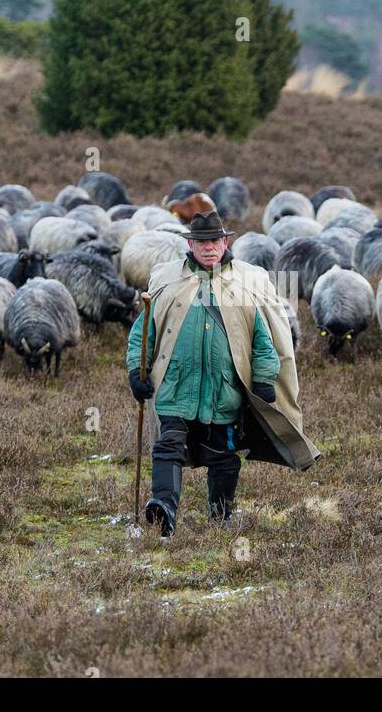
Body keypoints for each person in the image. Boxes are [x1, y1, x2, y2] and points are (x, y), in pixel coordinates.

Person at [126, 210, 319, 536]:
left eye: (215, 240)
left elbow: (265, 340)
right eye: (202, 241)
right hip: (175, 386)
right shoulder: (168, 280)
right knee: (168, 447)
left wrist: (265, 378)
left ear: (225, 241)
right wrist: (137, 369)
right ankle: (164, 508)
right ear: (190, 243)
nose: (209, 246)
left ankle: (220, 516)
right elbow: (143, 332)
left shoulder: (247, 283)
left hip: (224, 391)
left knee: (224, 456)